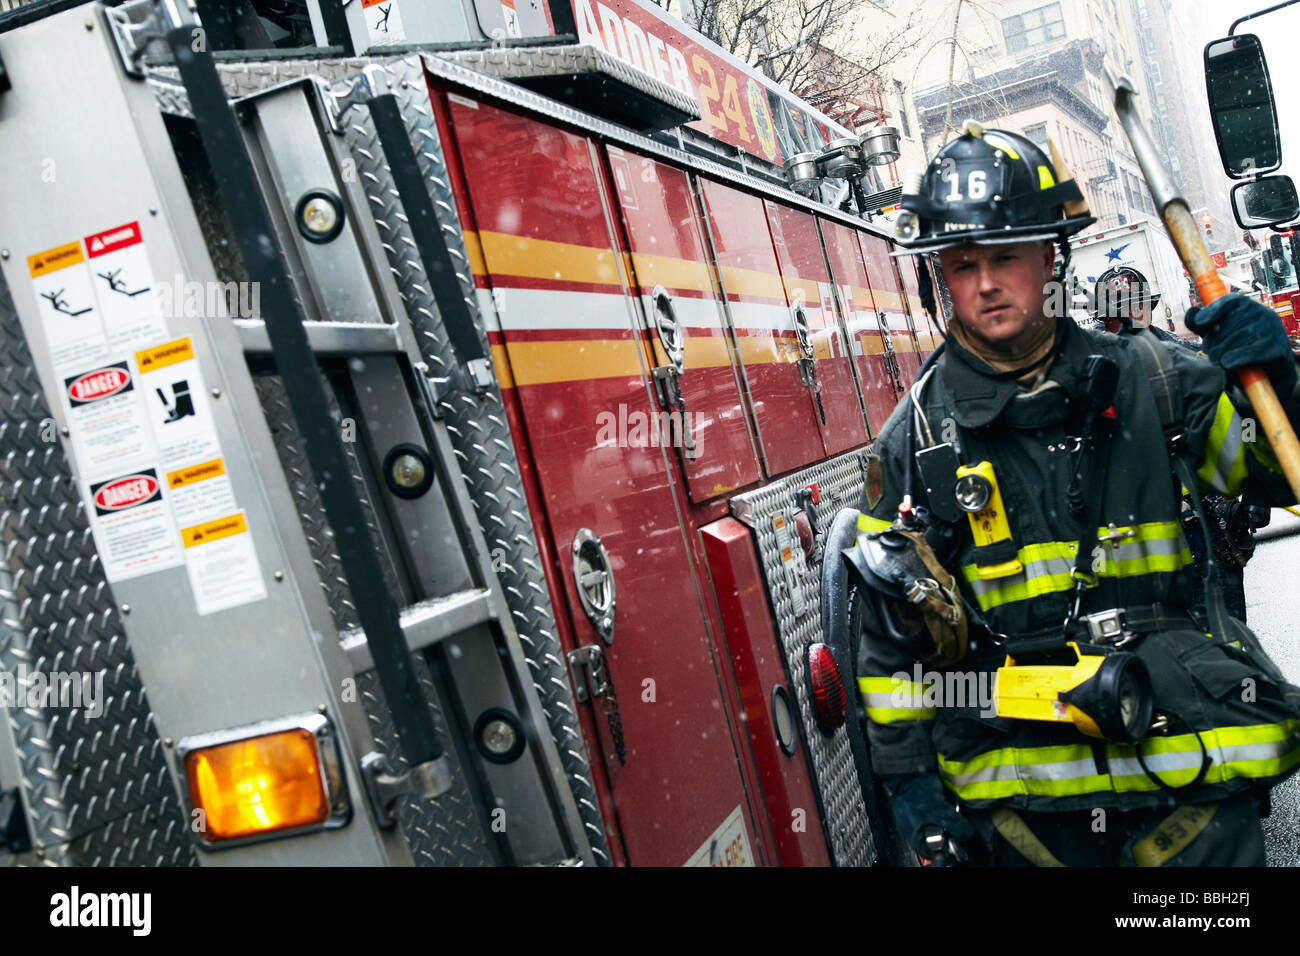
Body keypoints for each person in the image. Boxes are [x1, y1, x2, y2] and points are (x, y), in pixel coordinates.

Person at [838, 124, 1300, 867]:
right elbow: (890, 655)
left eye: (1005, 258)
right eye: (961, 265)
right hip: (1029, 824)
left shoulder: (1163, 384)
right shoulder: (917, 441)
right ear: (939, 280)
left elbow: (1275, 477)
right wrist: (912, 787)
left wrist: (1279, 386)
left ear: (1053, 257)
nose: (984, 283)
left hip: (1195, 800)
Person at [1091, 265, 1268, 623]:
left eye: (1135, 306)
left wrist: (1255, 496)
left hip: (1209, 535)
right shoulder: (1087, 375)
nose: (1127, 318)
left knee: (1228, 644)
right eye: (1117, 311)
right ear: (1103, 317)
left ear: (1149, 308)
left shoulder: (1191, 361)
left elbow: (1240, 433)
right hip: (1134, 554)